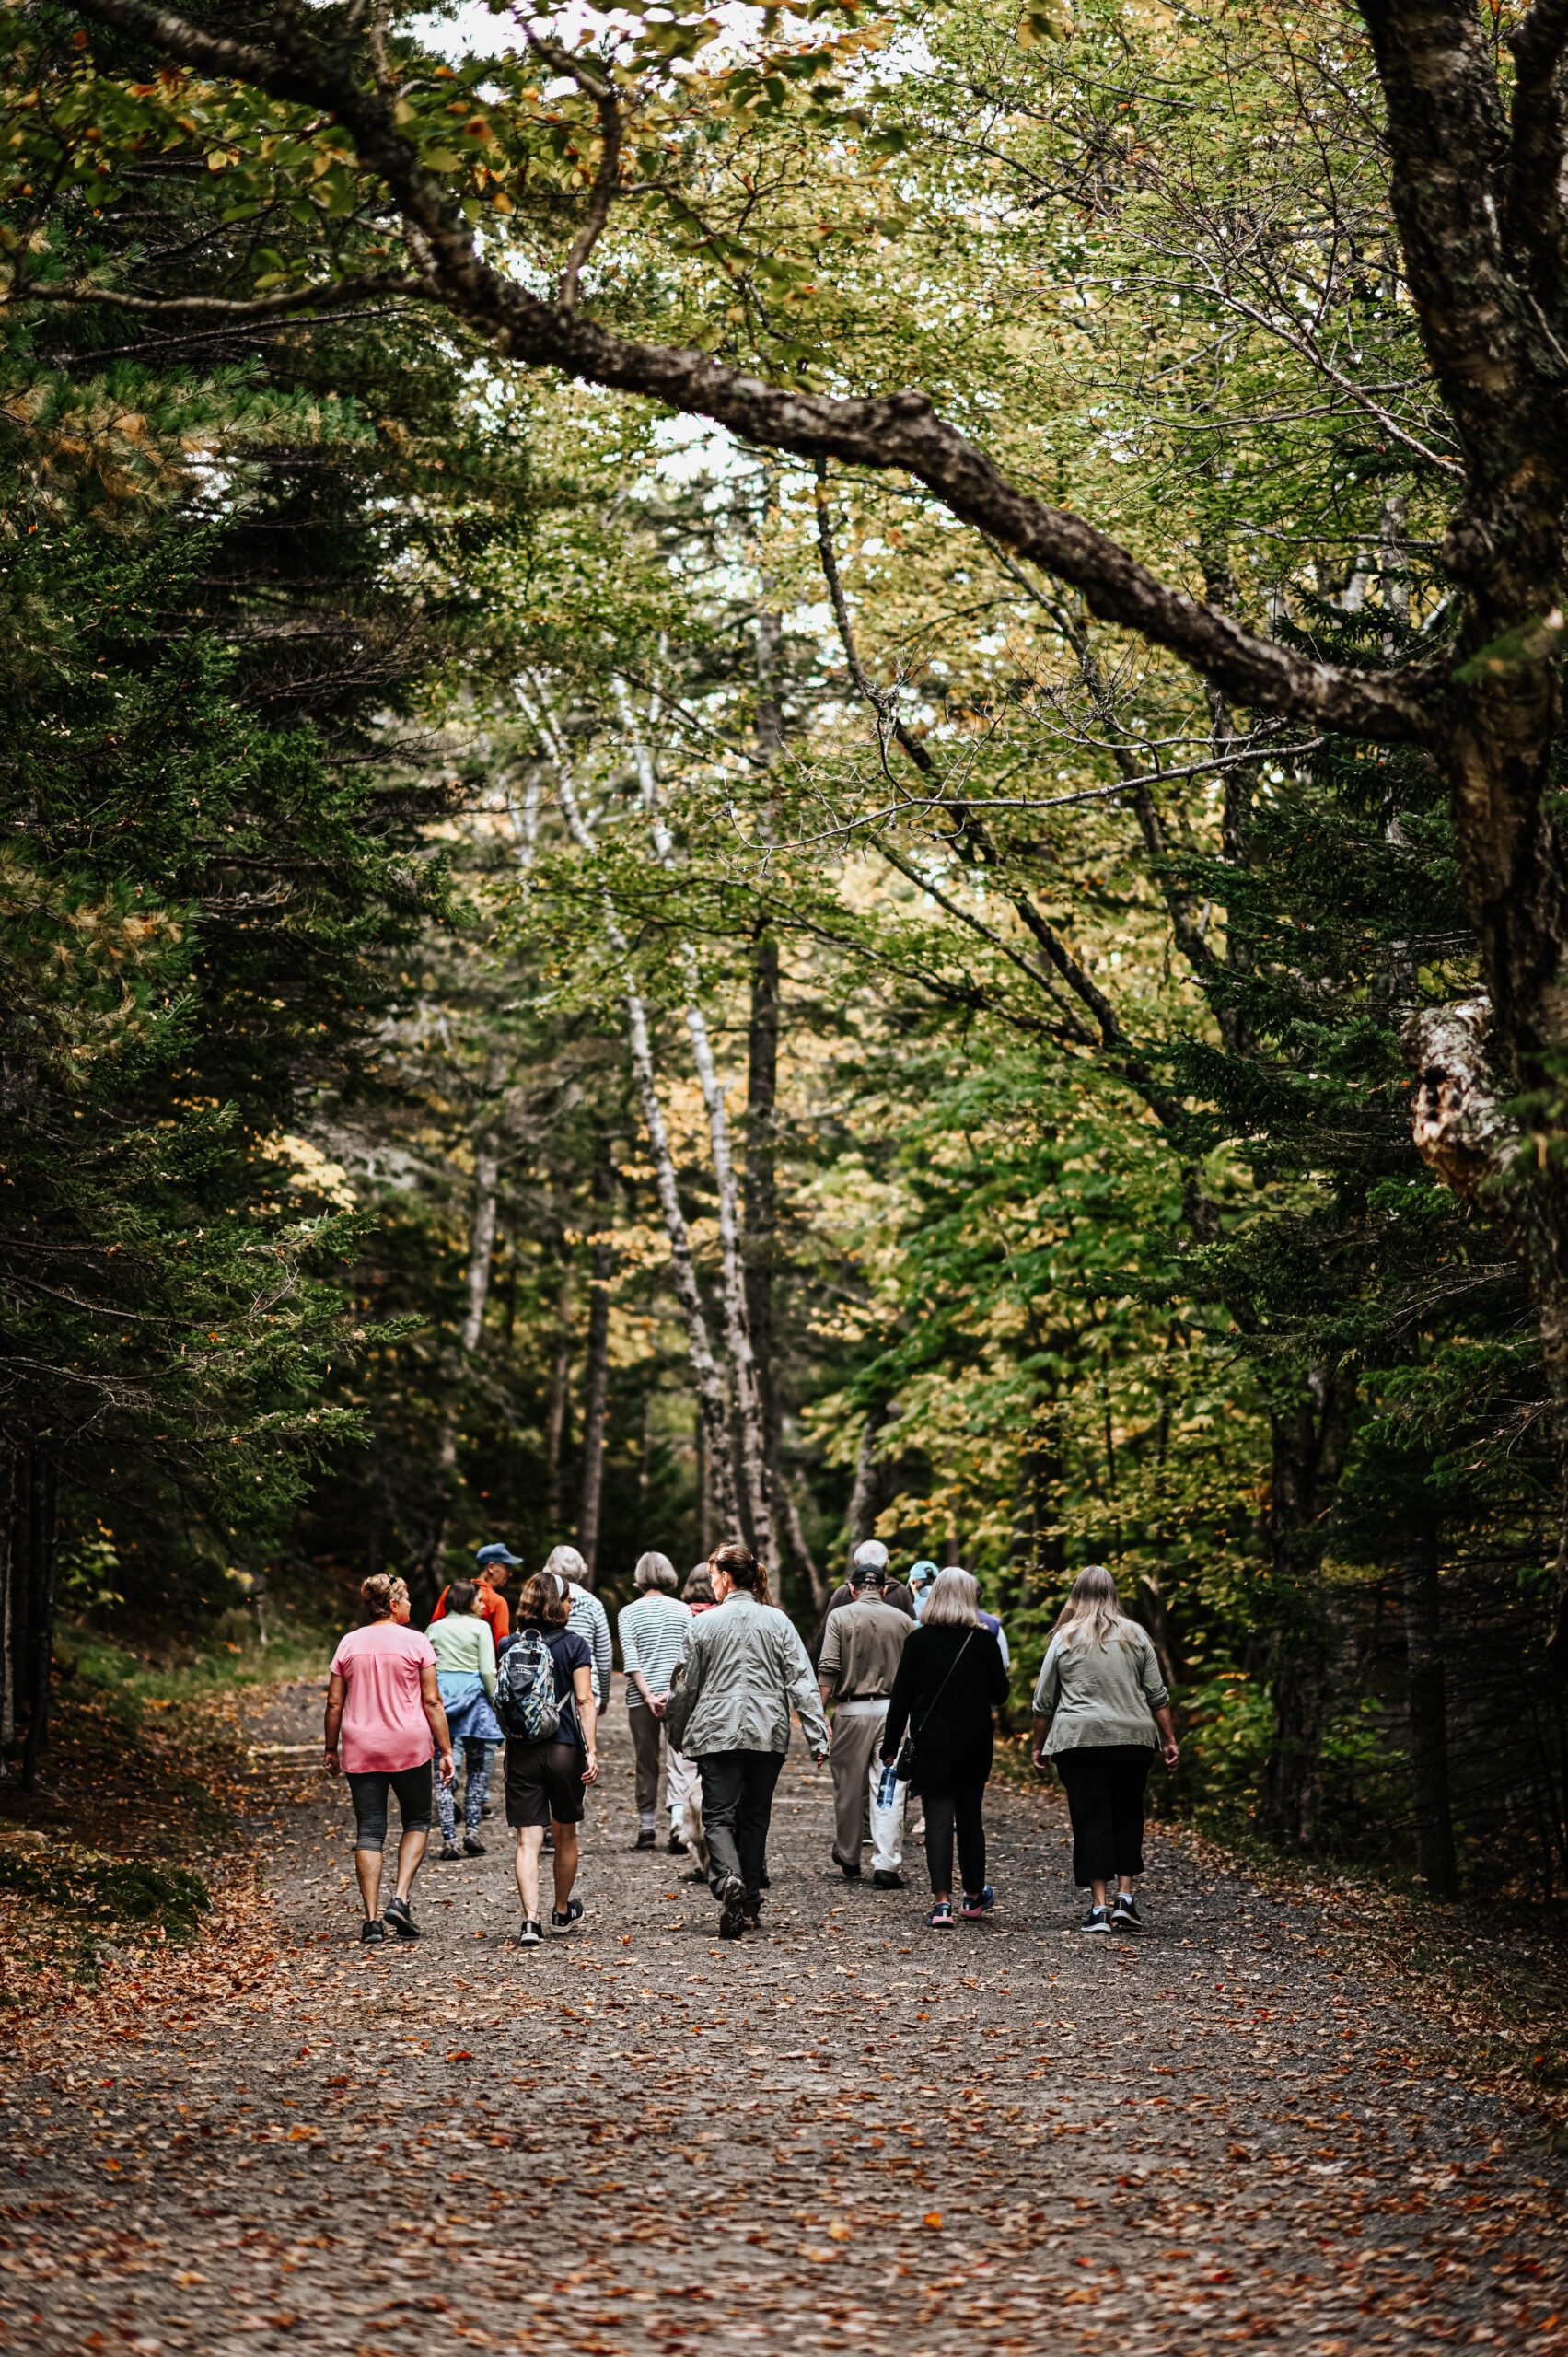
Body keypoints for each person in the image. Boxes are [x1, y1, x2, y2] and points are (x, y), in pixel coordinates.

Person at [665, 1540, 830, 1939]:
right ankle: (750, 1903)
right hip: (766, 1732)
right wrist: (817, 1736)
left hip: (716, 1732)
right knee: (755, 1818)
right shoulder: (778, 1622)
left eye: (712, 1578)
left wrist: (677, 1732)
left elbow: (685, 1688)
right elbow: (802, 1681)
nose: (711, 1585)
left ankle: (728, 1880)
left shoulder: (702, 1624)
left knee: (718, 1816)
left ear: (724, 1578)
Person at [1030, 1564, 1179, 1933]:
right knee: (1128, 1814)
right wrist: (1170, 1739)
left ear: (1077, 1594)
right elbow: (1156, 1694)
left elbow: (1043, 1700)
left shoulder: (1064, 1637)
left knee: (1091, 1818)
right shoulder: (1136, 1635)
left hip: (1079, 1741)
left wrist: (1038, 1746)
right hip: (1132, 1739)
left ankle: (1099, 1908)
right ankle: (1125, 1899)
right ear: (1113, 1593)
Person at [324, 1573, 454, 1944]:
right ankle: (399, 1898)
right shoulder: (417, 1642)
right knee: (416, 1819)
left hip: (362, 1747)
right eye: (408, 1599)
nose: (412, 1606)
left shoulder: (349, 1643)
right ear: (393, 1605)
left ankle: (370, 1921)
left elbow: (334, 1702)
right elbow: (431, 1701)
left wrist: (330, 1748)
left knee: (369, 1830)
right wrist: (445, 1751)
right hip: (409, 1746)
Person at [880, 1567, 1009, 1931]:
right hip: (973, 1743)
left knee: (938, 1820)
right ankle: (972, 1895)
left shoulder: (919, 1641)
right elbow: (1000, 1694)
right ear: (970, 1598)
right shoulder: (983, 1641)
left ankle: (941, 1904)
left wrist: (890, 1746)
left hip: (931, 1743)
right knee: (970, 1819)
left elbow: (901, 1699)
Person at [505, 1570, 600, 1945]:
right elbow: (584, 1700)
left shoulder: (508, 1644)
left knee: (527, 1841)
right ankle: (561, 1910)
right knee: (565, 1834)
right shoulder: (575, 1645)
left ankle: (530, 1922)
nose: (571, 1603)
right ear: (556, 1604)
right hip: (564, 1748)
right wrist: (591, 1750)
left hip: (522, 1750)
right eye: (567, 1598)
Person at [818, 1554, 912, 1887]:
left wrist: (818, 1717)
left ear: (852, 1589)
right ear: (884, 1589)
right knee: (888, 1785)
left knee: (848, 1787)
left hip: (851, 1712)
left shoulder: (839, 1616)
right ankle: (887, 1863)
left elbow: (828, 1667)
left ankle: (848, 1855)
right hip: (894, 1713)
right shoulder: (904, 1621)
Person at [618, 1550, 694, 1852]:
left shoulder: (628, 1613)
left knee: (645, 1761)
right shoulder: (684, 1611)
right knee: (681, 1759)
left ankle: (647, 1827)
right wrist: (669, 1693)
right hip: (676, 1697)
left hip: (640, 1699)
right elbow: (687, 1658)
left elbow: (631, 1658)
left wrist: (648, 1694)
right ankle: (678, 1820)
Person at [425, 1579, 504, 1860]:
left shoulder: (434, 1629)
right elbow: (486, 1670)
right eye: (479, 1600)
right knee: (477, 1769)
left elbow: (428, 1668)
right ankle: (471, 1831)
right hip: (474, 1704)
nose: (483, 1605)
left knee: (442, 1771)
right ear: (468, 1601)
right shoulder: (481, 1628)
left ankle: (448, 1839)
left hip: (442, 1703)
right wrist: (497, 1702)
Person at [809, 1539, 915, 1664]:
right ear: (887, 1563)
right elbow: (913, 1637)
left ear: (856, 1563)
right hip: (893, 1674)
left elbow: (824, 1639)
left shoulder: (844, 1593)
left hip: (849, 1674)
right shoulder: (900, 1593)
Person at [540, 1543, 613, 1713]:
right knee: (584, 1738)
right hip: (586, 1689)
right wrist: (603, 1695)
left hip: (546, 1686)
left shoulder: (542, 1601)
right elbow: (604, 1656)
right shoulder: (594, 1604)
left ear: (549, 1568)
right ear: (580, 1569)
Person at [910, 1557, 1011, 1668]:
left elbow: (904, 1683)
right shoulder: (987, 1636)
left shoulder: (916, 1637)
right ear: (970, 1595)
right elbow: (1002, 1668)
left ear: (938, 1593)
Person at [432, 1541, 519, 1653]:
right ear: (491, 1567)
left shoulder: (451, 1590)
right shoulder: (498, 1602)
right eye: (507, 1567)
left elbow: (434, 1628)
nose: (510, 1574)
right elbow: (502, 1647)